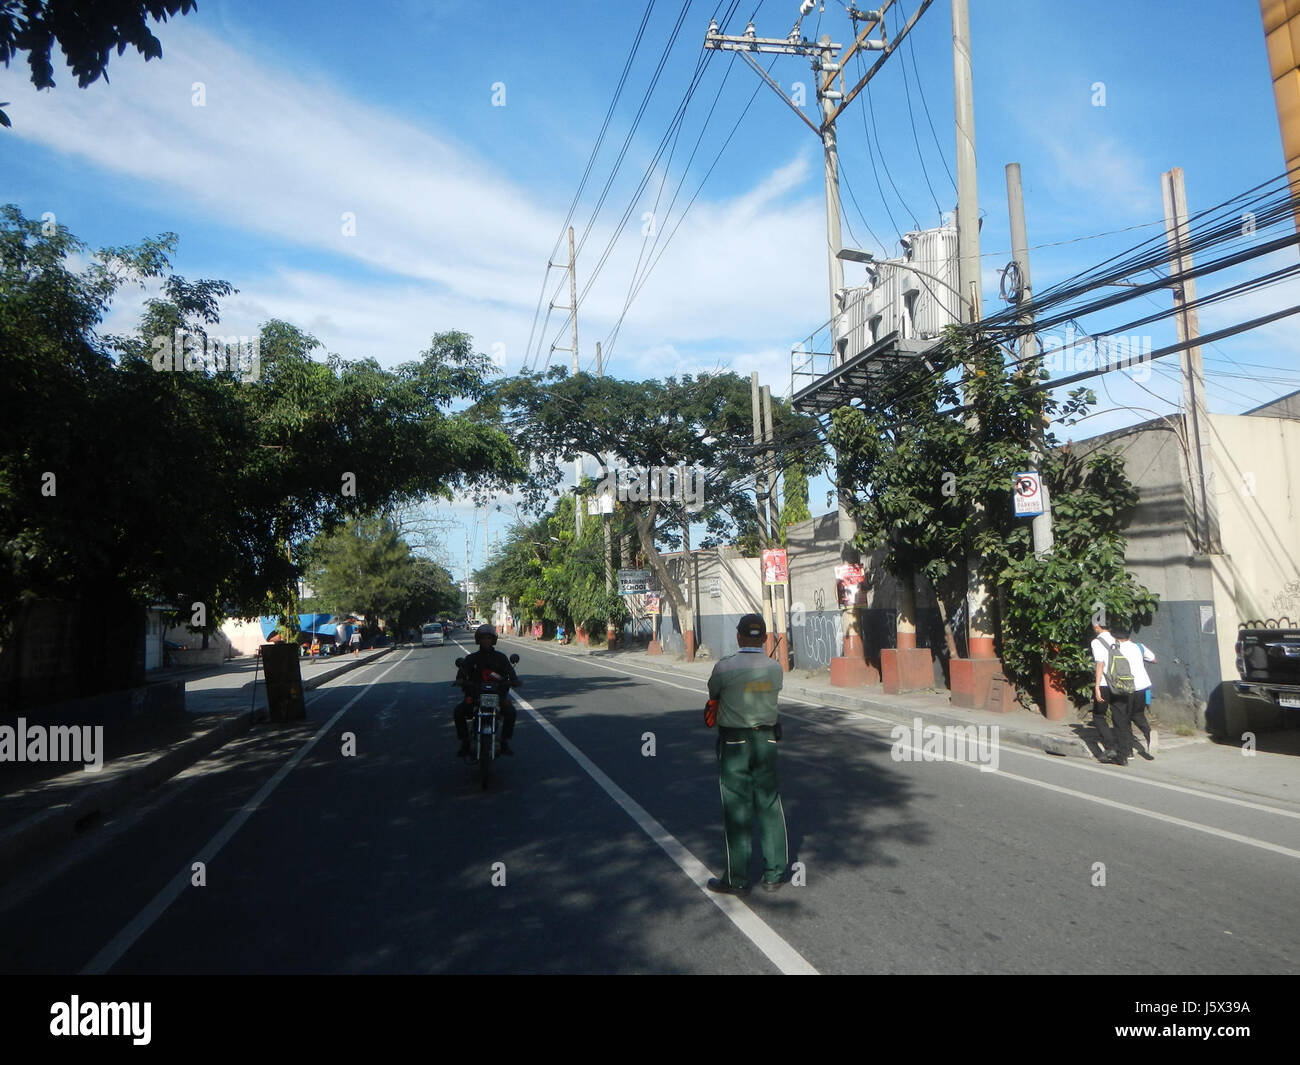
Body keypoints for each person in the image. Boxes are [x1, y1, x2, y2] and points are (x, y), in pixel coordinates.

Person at [705, 613, 789, 896]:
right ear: (764, 638)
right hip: (766, 740)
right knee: (769, 802)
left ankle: (737, 879)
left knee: (737, 807)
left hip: (734, 743)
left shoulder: (724, 667)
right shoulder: (775, 669)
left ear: (739, 636)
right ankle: (775, 874)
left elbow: (712, 692)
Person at [1092, 621, 1155, 766]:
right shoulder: (1136, 646)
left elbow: (1100, 664)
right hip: (1139, 686)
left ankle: (1122, 752)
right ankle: (1138, 742)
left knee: (1115, 718)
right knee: (1131, 716)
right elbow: (1154, 659)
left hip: (1116, 685)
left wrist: (1096, 686)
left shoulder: (1107, 645)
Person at [454, 624, 521, 757]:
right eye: (483, 638)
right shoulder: (471, 658)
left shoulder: (501, 657)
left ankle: (504, 742)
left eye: (489, 638)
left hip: (497, 696)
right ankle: (465, 742)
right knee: (458, 712)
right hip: (475, 696)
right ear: (478, 640)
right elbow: (461, 674)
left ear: (493, 640)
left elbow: (510, 672)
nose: (486, 641)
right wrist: (460, 680)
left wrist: (515, 681)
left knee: (511, 712)